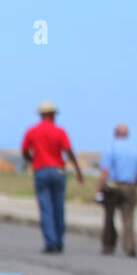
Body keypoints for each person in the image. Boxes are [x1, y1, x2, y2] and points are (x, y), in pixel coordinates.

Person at [21, 100, 84, 254]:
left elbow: (24, 151)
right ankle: (59, 241)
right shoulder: (59, 131)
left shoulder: (32, 131)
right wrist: (78, 170)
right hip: (57, 170)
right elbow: (68, 151)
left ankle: (51, 242)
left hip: (41, 171)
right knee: (58, 207)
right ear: (53, 114)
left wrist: (33, 160)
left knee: (46, 208)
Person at [97, 123, 137, 257]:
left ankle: (108, 245)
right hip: (130, 185)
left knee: (109, 217)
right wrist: (135, 185)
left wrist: (99, 189)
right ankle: (130, 247)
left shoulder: (111, 148)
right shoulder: (134, 150)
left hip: (113, 186)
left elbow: (105, 171)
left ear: (115, 133)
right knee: (128, 218)